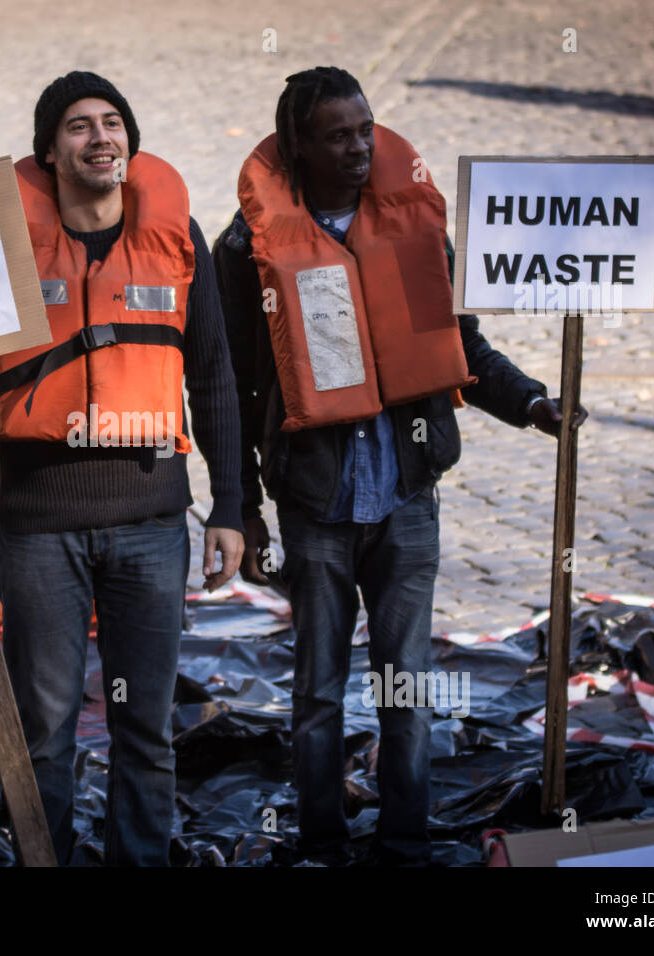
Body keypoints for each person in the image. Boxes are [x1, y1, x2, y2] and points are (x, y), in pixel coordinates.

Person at [213, 67, 587, 865]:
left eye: (366, 129)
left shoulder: (416, 229)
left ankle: (406, 843)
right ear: (297, 148)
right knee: (317, 692)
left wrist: (532, 405)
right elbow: (229, 389)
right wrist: (240, 505)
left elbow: (463, 349)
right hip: (314, 506)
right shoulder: (247, 250)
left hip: (408, 501)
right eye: (338, 135)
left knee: (407, 687)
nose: (359, 147)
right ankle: (321, 841)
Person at [0, 71, 244, 866]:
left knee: (147, 728)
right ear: (48, 150)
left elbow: (213, 378)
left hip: (151, 523)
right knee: (43, 731)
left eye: (112, 123)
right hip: (38, 533)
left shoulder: (177, 239)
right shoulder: (8, 254)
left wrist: (232, 506)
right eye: (78, 126)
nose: (100, 137)